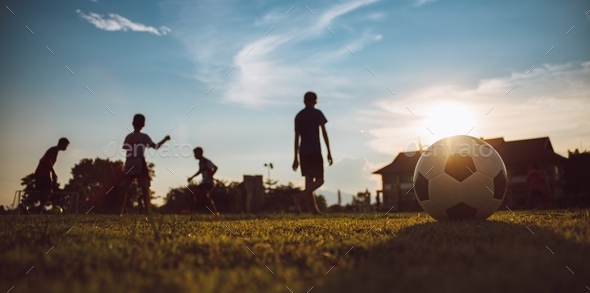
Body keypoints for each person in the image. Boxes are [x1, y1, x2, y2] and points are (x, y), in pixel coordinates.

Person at [118, 114, 170, 216]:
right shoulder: (144, 137)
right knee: (145, 189)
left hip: (129, 163)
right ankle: (148, 212)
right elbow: (155, 146)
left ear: (132, 123)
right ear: (144, 124)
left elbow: (125, 148)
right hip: (139, 163)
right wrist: (165, 139)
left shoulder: (128, 137)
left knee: (124, 189)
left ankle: (119, 212)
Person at [292, 91, 333, 215]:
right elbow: (324, 133)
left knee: (309, 182)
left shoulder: (299, 116)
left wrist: (295, 157)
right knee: (320, 180)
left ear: (304, 102)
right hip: (315, 150)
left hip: (303, 152)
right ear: (316, 101)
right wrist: (329, 152)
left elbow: (296, 138)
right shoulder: (317, 113)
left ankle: (314, 211)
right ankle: (299, 196)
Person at [20, 138, 70, 214]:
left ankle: (28, 205)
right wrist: (53, 173)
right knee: (48, 192)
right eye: (66, 145)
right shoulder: (53, 150)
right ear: (62, 144)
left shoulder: (55, 151)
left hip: (43, 172)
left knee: (43, 193)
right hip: (43, 173)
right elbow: (47, 161)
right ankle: (38, 209)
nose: (66, 148)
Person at [187, 147, 220, 215]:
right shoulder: (201, 162)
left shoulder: (206, 161)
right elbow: (200, 171)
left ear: (199, 153)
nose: (194, 155)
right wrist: (192, 177)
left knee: (205, 195)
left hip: (209, 182)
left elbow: (216, 167)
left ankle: (215, 212)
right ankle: (191, 211)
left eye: (195, 154)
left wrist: (210, 176)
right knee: (193, 193)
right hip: (205, 182)